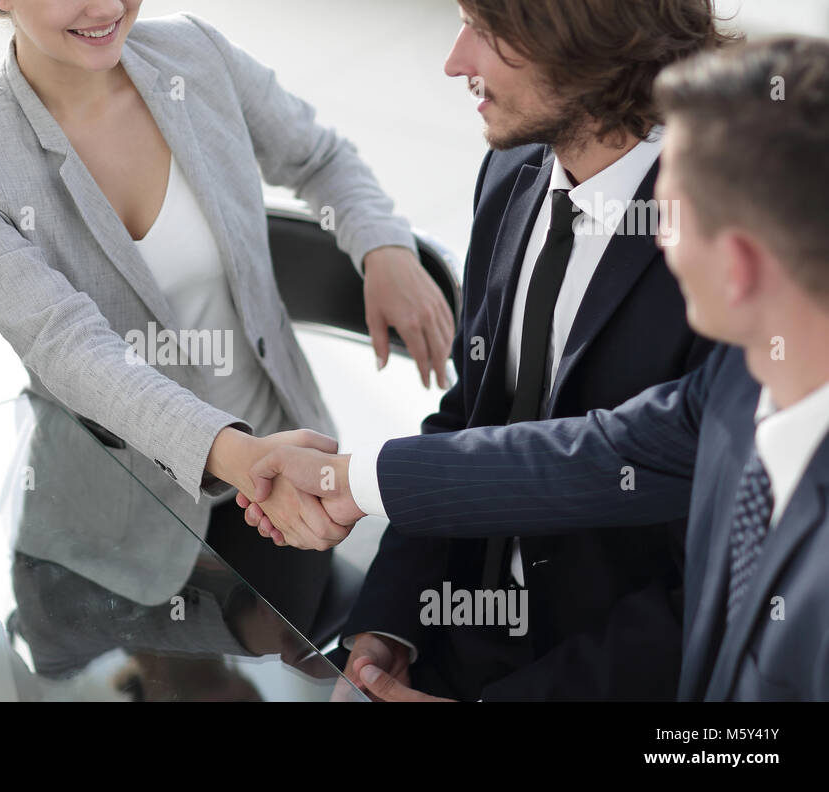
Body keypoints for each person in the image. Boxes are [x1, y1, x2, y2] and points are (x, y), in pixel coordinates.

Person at [244, 35, 829, 702]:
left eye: (674, 209)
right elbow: (585, 455)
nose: (656, 232)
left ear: (740, 264)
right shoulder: (734, 387)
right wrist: (349, 479)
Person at [0, 1, 453, 631]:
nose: (109, 7)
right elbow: (74, 352)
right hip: (117, 531)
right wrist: (239, 457)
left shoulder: (194, 54)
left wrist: (383, 247)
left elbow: (317, 156)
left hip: (278, 477)